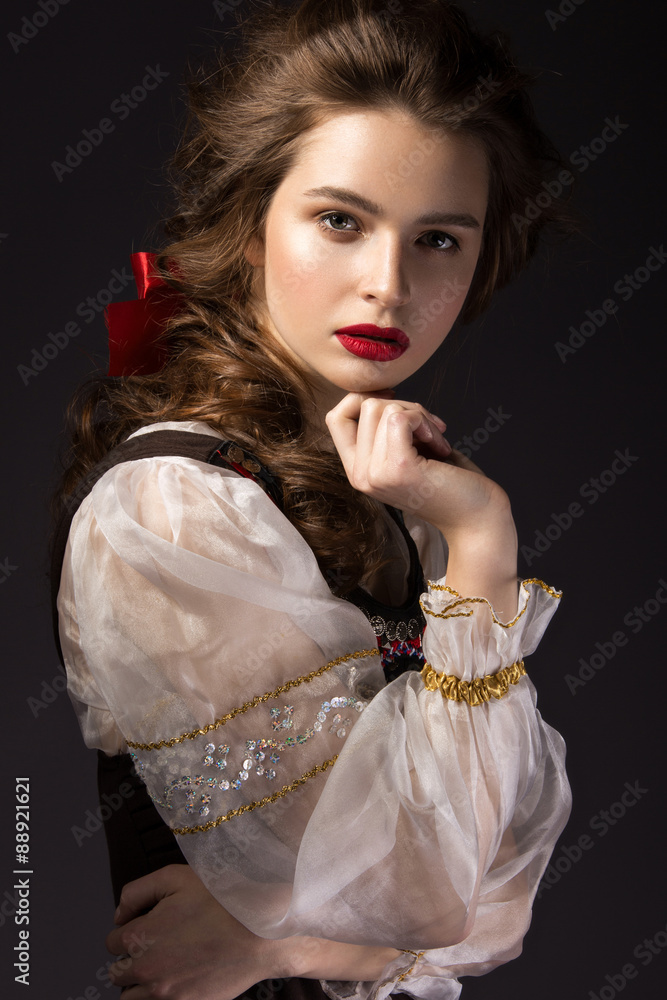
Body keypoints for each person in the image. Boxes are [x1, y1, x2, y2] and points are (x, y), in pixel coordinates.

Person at [54, 1, 575, 997]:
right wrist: (481, 535)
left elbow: (504, 904)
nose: (385, 283)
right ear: (250, 224)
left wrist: (284, 940)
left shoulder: (389, 490)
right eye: (340, 220)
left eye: (437, 241)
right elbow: (434, 899)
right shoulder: (171, 508)